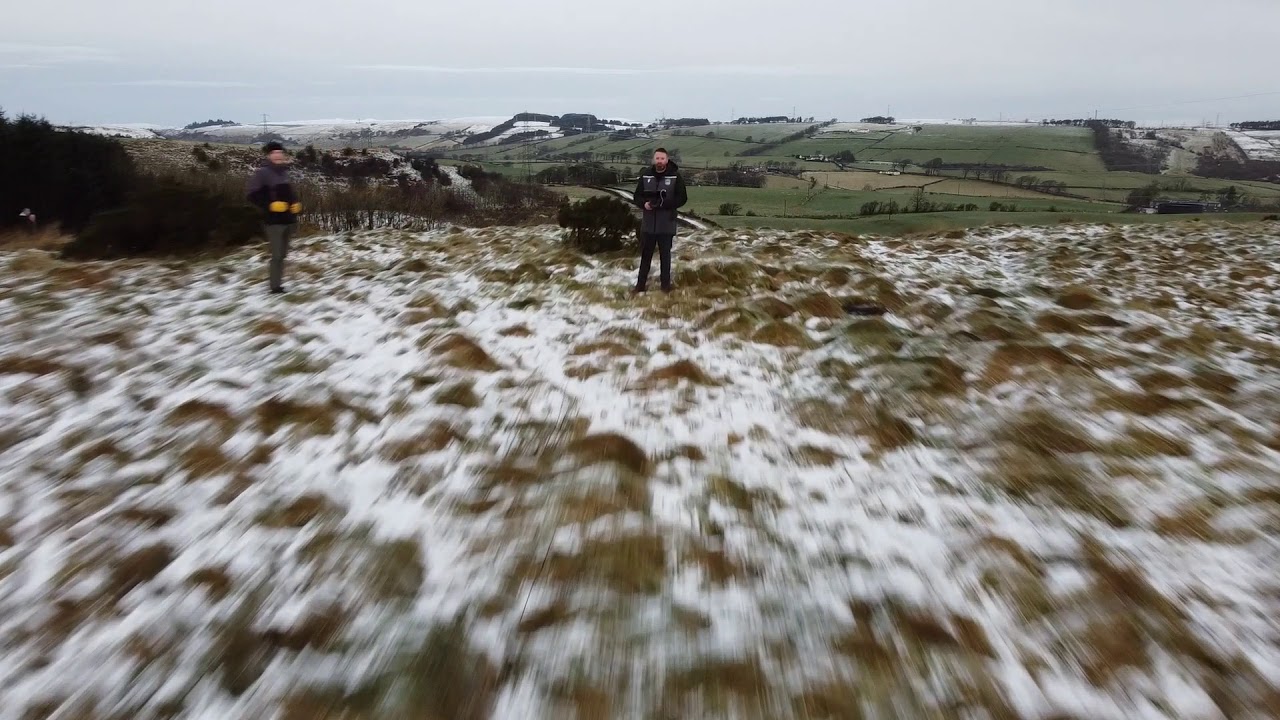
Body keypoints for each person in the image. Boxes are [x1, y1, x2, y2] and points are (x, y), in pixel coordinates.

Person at [245, 141, 302, 294]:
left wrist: (295, 203)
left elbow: (288, 193)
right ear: (269, 155)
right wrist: (270, 205)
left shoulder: (284, 172)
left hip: (288, 220)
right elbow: (251, 195)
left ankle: (278, 283)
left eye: (280, 153)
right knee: (277, 255)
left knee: (282, 254)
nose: (278, 155)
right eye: (274, 153)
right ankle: (275, 287)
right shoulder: (262, 173)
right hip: (273, 221)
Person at [631, 147, 687, 293]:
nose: (660, 161)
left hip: (666, 224)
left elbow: (682, 198)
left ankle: (665, 287)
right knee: (645, 256)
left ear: (667, 160)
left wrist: (666, 204)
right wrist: (644, 204)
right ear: (653, 160)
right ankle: (640, 286)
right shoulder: (645, 175)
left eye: (662, 159)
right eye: (657, 158)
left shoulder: (676, 177)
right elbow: (637, 196)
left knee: (665, 257)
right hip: (648, 224)